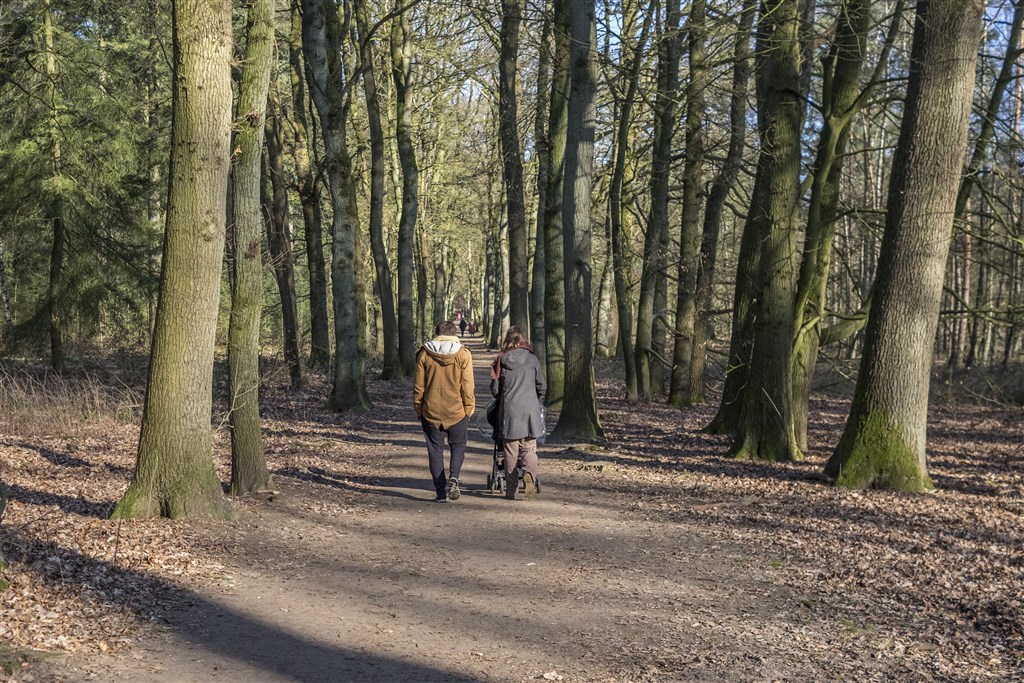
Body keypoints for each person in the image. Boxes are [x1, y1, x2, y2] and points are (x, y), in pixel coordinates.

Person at [414, 320, 476, 502]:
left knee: (435, 450)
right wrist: (469, 407)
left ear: (437, 333)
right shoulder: (463, 354)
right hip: (457, 410)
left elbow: (418, 385)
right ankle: (454, 477)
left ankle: (441, 493)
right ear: (454, 333)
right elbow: (467, 384)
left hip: (431, 411)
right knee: (458, 446)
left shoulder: (424, 353)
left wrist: (418, 407)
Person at [490, 326, 546, 500]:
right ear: (524, 340)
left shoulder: (501, 359)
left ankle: (511, 491)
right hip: (530, 411)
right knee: (529, 449)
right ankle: (529, 474)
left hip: (510, 412)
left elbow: (495, 389)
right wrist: (536, 400)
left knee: (510, 453)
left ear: (508, 340)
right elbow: (541, 386)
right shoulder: (533, 359)